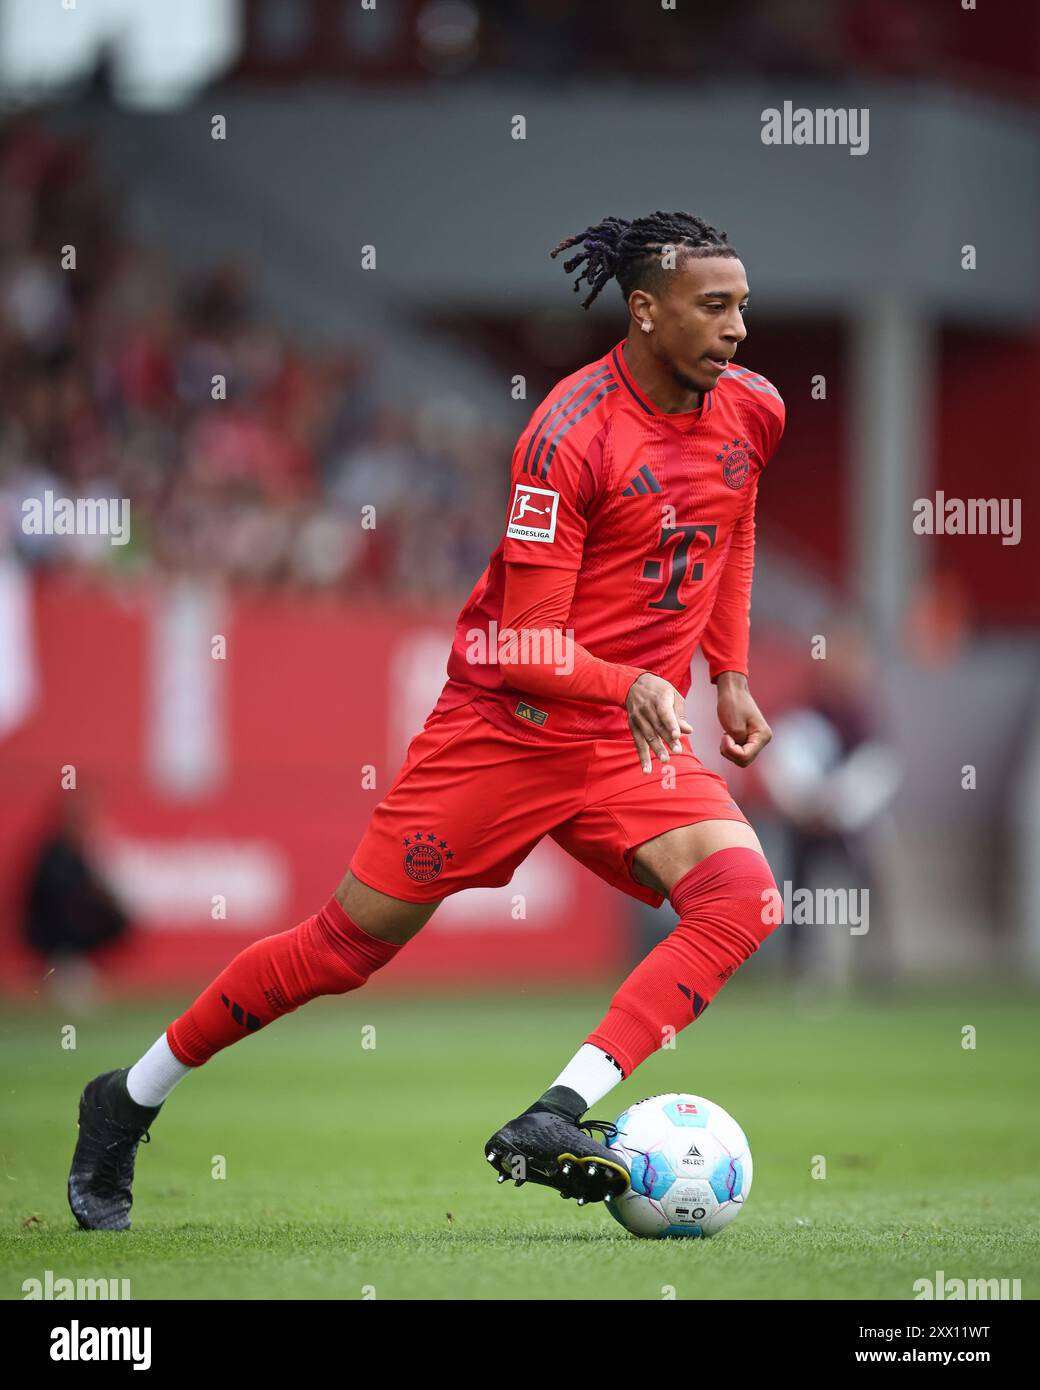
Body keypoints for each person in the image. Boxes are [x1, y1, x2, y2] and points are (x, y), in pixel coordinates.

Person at [68, 210, 787, 1230]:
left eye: (741, 307)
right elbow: (529, 646)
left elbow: (731, 520)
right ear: (643, 311)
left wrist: (726, 670)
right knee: (343, 948)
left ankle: (555, 1111)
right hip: (503, 729)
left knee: (741, 898)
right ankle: (126, 1097)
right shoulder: (567, 435)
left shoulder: (752, 410)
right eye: (713, 307)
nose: (737, 330)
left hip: (627, 744)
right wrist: (629, 680)